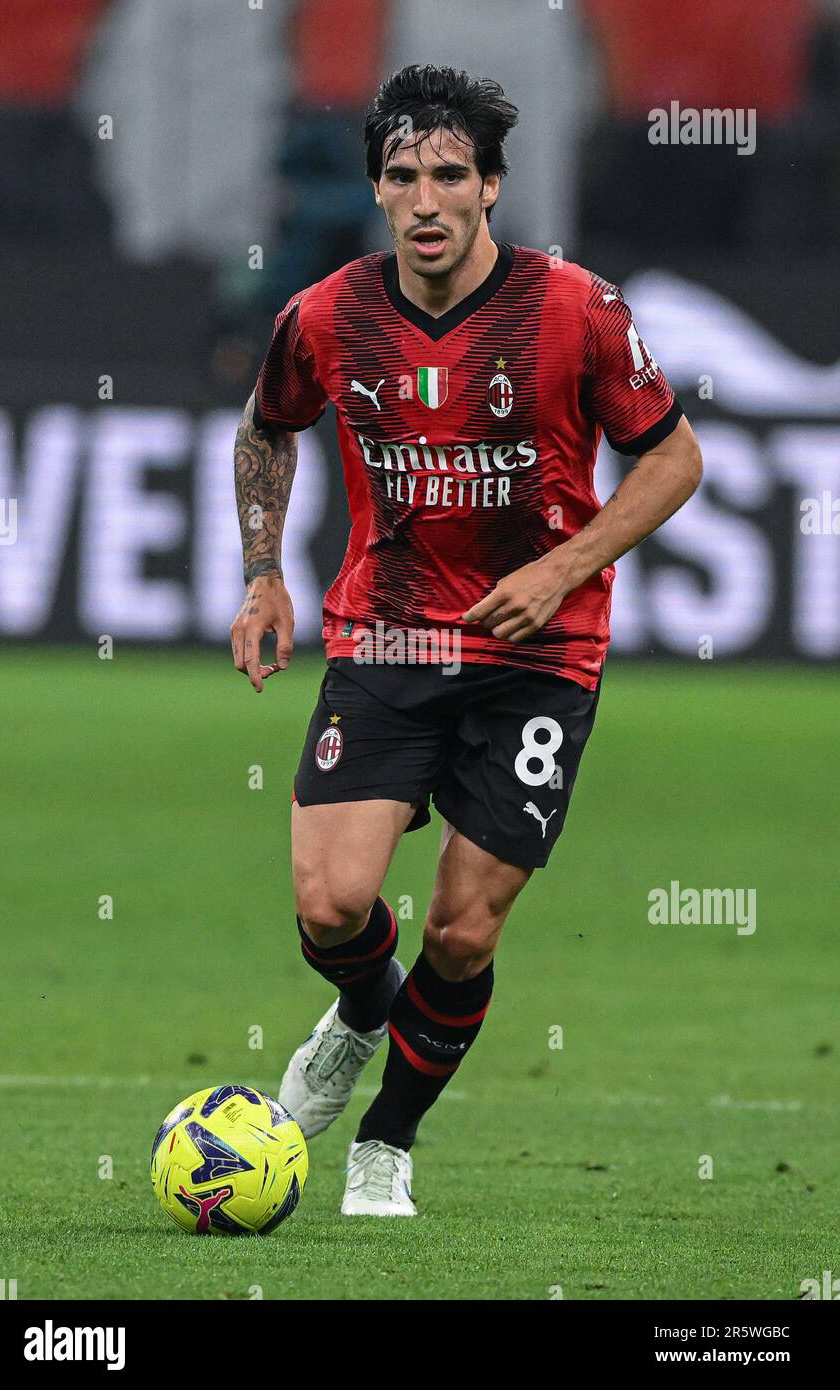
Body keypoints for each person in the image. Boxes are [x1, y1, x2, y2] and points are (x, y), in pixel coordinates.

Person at [229, 64, 702, 1217]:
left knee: (461, 922)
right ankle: (358, 1011)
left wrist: (559, 568)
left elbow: (674, 458)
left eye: (450, 174)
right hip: (385, 639)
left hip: (537, 655)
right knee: (330, 904)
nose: (426, 199)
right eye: (402, 177)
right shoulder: (327, 315)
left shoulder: (576, 310)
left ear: (491, 187)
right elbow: (266, 428)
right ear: (378, 194)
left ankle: (386, 1137)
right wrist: (261, 574)